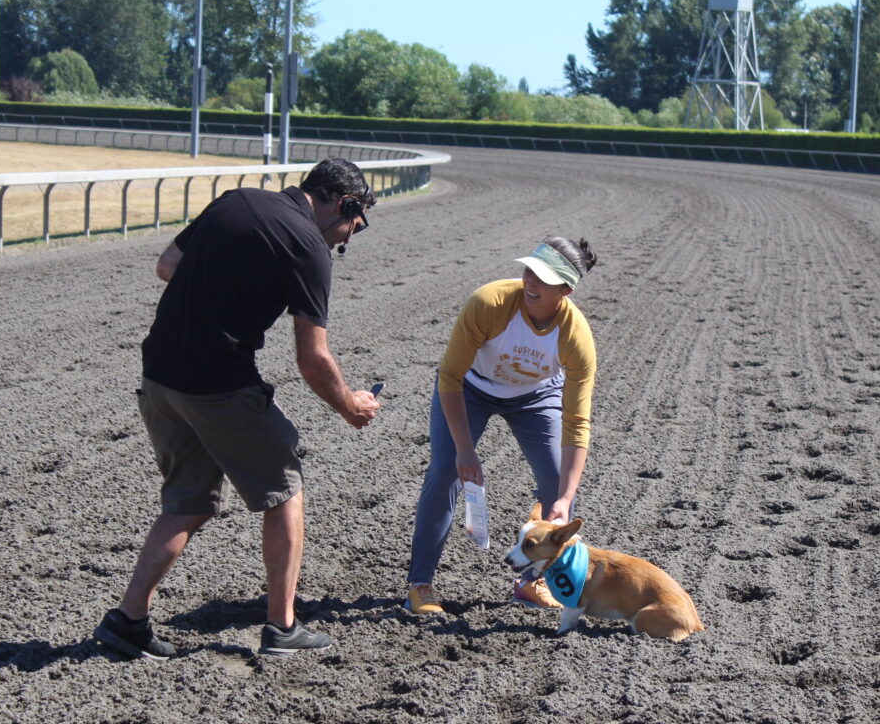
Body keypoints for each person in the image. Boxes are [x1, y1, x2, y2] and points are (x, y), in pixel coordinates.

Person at [95, 157, 380, 661]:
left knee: (187, 501)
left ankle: (128, 620)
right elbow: (313, 360)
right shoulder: (309, 247)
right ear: (345, 203)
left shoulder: (237, 199)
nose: (344, 243)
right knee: (284, 486)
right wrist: (350, 406)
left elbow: (167, 266)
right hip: (218, 383)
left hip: (159, 371)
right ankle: (282, 627)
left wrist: (225, 289)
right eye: (351, 230)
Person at [405, 237, 599, 614]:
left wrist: (563, 497)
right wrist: (465, 451)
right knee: (446, 470)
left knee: (560, 485)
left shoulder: (575, 336)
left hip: (534, 398)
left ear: (566, 289)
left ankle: (532, 584)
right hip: (469, 389)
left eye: (543, 279)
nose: (530, 282)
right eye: (529, 271)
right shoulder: (490, 303)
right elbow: (449, 376)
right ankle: (420, 585)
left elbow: (577, 422)